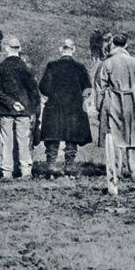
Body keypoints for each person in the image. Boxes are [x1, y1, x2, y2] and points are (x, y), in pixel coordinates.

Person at [94, 33, 135, 196]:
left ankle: (117, 170)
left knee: (116, 136)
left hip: (114, 101)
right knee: (133, 136)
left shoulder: (107, 63)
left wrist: (100, 107)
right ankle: (133, 170)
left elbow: (100, 86)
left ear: (113, 44)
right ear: (126, 45)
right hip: (133, 102)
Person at [0, 37, 41, 180]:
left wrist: (11, 103)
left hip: (5, 110)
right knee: (24, 142)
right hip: (24, 111)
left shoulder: (0, 67)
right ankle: (26, 171)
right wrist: (34, 110)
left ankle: (7, 172)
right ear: (20, 49)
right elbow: (34, 92)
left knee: (7, 142)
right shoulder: (26, 68)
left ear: (7, 48)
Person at [38, 39, 93, 172]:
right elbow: (87, 88)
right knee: (72, 136)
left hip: (54, 106)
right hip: (74, 108)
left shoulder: (51, 66)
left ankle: (51, 165)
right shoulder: (80, 67)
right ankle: (69, 165)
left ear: (60, 49)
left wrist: (52, 95)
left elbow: (43, 87)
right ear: (73, 49)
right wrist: (83, 99)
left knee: (53, 135)